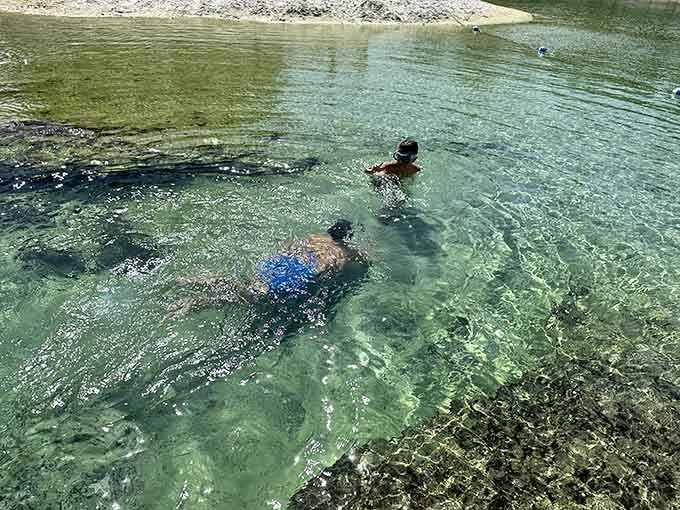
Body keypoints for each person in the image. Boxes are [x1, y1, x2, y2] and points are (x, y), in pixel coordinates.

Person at [168, 219, 367, 318]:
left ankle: (193, 281)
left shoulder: (314, 237)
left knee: (248, 283)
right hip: (299, 274)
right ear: (347, 238)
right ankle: (195, 303)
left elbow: (288, 245)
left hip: (281, 262)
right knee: (249, 298)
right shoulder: (346, 252)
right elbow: (356, 260)